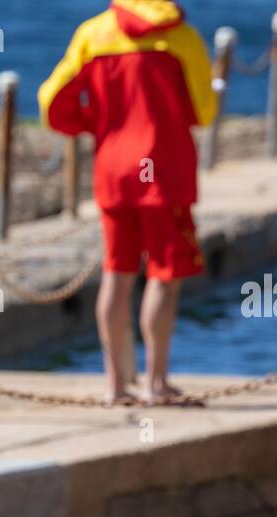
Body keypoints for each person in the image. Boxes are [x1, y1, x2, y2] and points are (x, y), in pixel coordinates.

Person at [38, 0, 217, 405]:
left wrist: (95, 124)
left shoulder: (93, 33)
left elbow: (52, 101)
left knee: (117, 273)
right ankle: (156, 383)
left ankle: (115, 386)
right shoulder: (181, 37)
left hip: (114, 168)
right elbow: (203, 110)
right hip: (164, 171)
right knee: (163, 276)